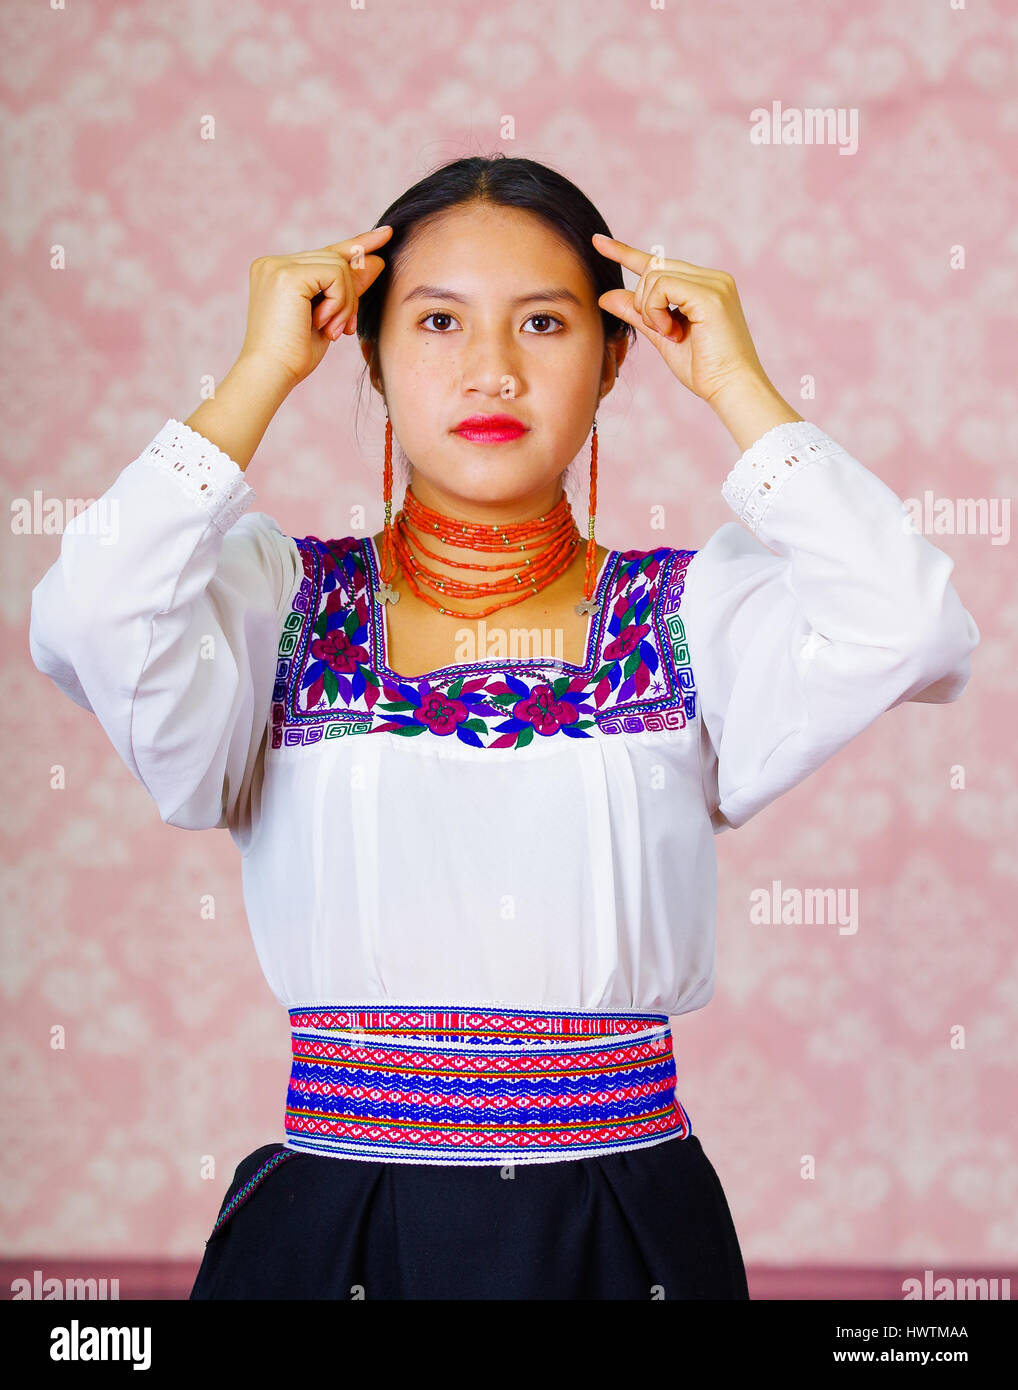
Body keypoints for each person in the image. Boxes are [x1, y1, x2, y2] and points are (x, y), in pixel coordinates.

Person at [28, 153, 980, 1301]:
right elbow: (89, 615)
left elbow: (911, 628)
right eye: (435, 322)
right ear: (368, 355)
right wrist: (259, 373)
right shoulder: (275, 602)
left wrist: (736, 382)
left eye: (544, 323)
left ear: (617, 355)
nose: (491, 370)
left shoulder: (691, 614)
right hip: (335, 1221)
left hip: (621, 1219)